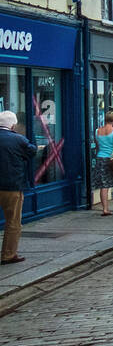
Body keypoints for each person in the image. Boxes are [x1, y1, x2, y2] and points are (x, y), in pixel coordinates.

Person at [0, 111, 36, 265]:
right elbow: (32, 151)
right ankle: (8, 254)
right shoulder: (18, 139)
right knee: (13, 221)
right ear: (13, 125)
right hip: (12, 186)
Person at [92, 111, 113, 215]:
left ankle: (105, 209)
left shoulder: (97, 131)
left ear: (105, 119)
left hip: (100, 158)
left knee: (104, 185)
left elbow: (97, 147)